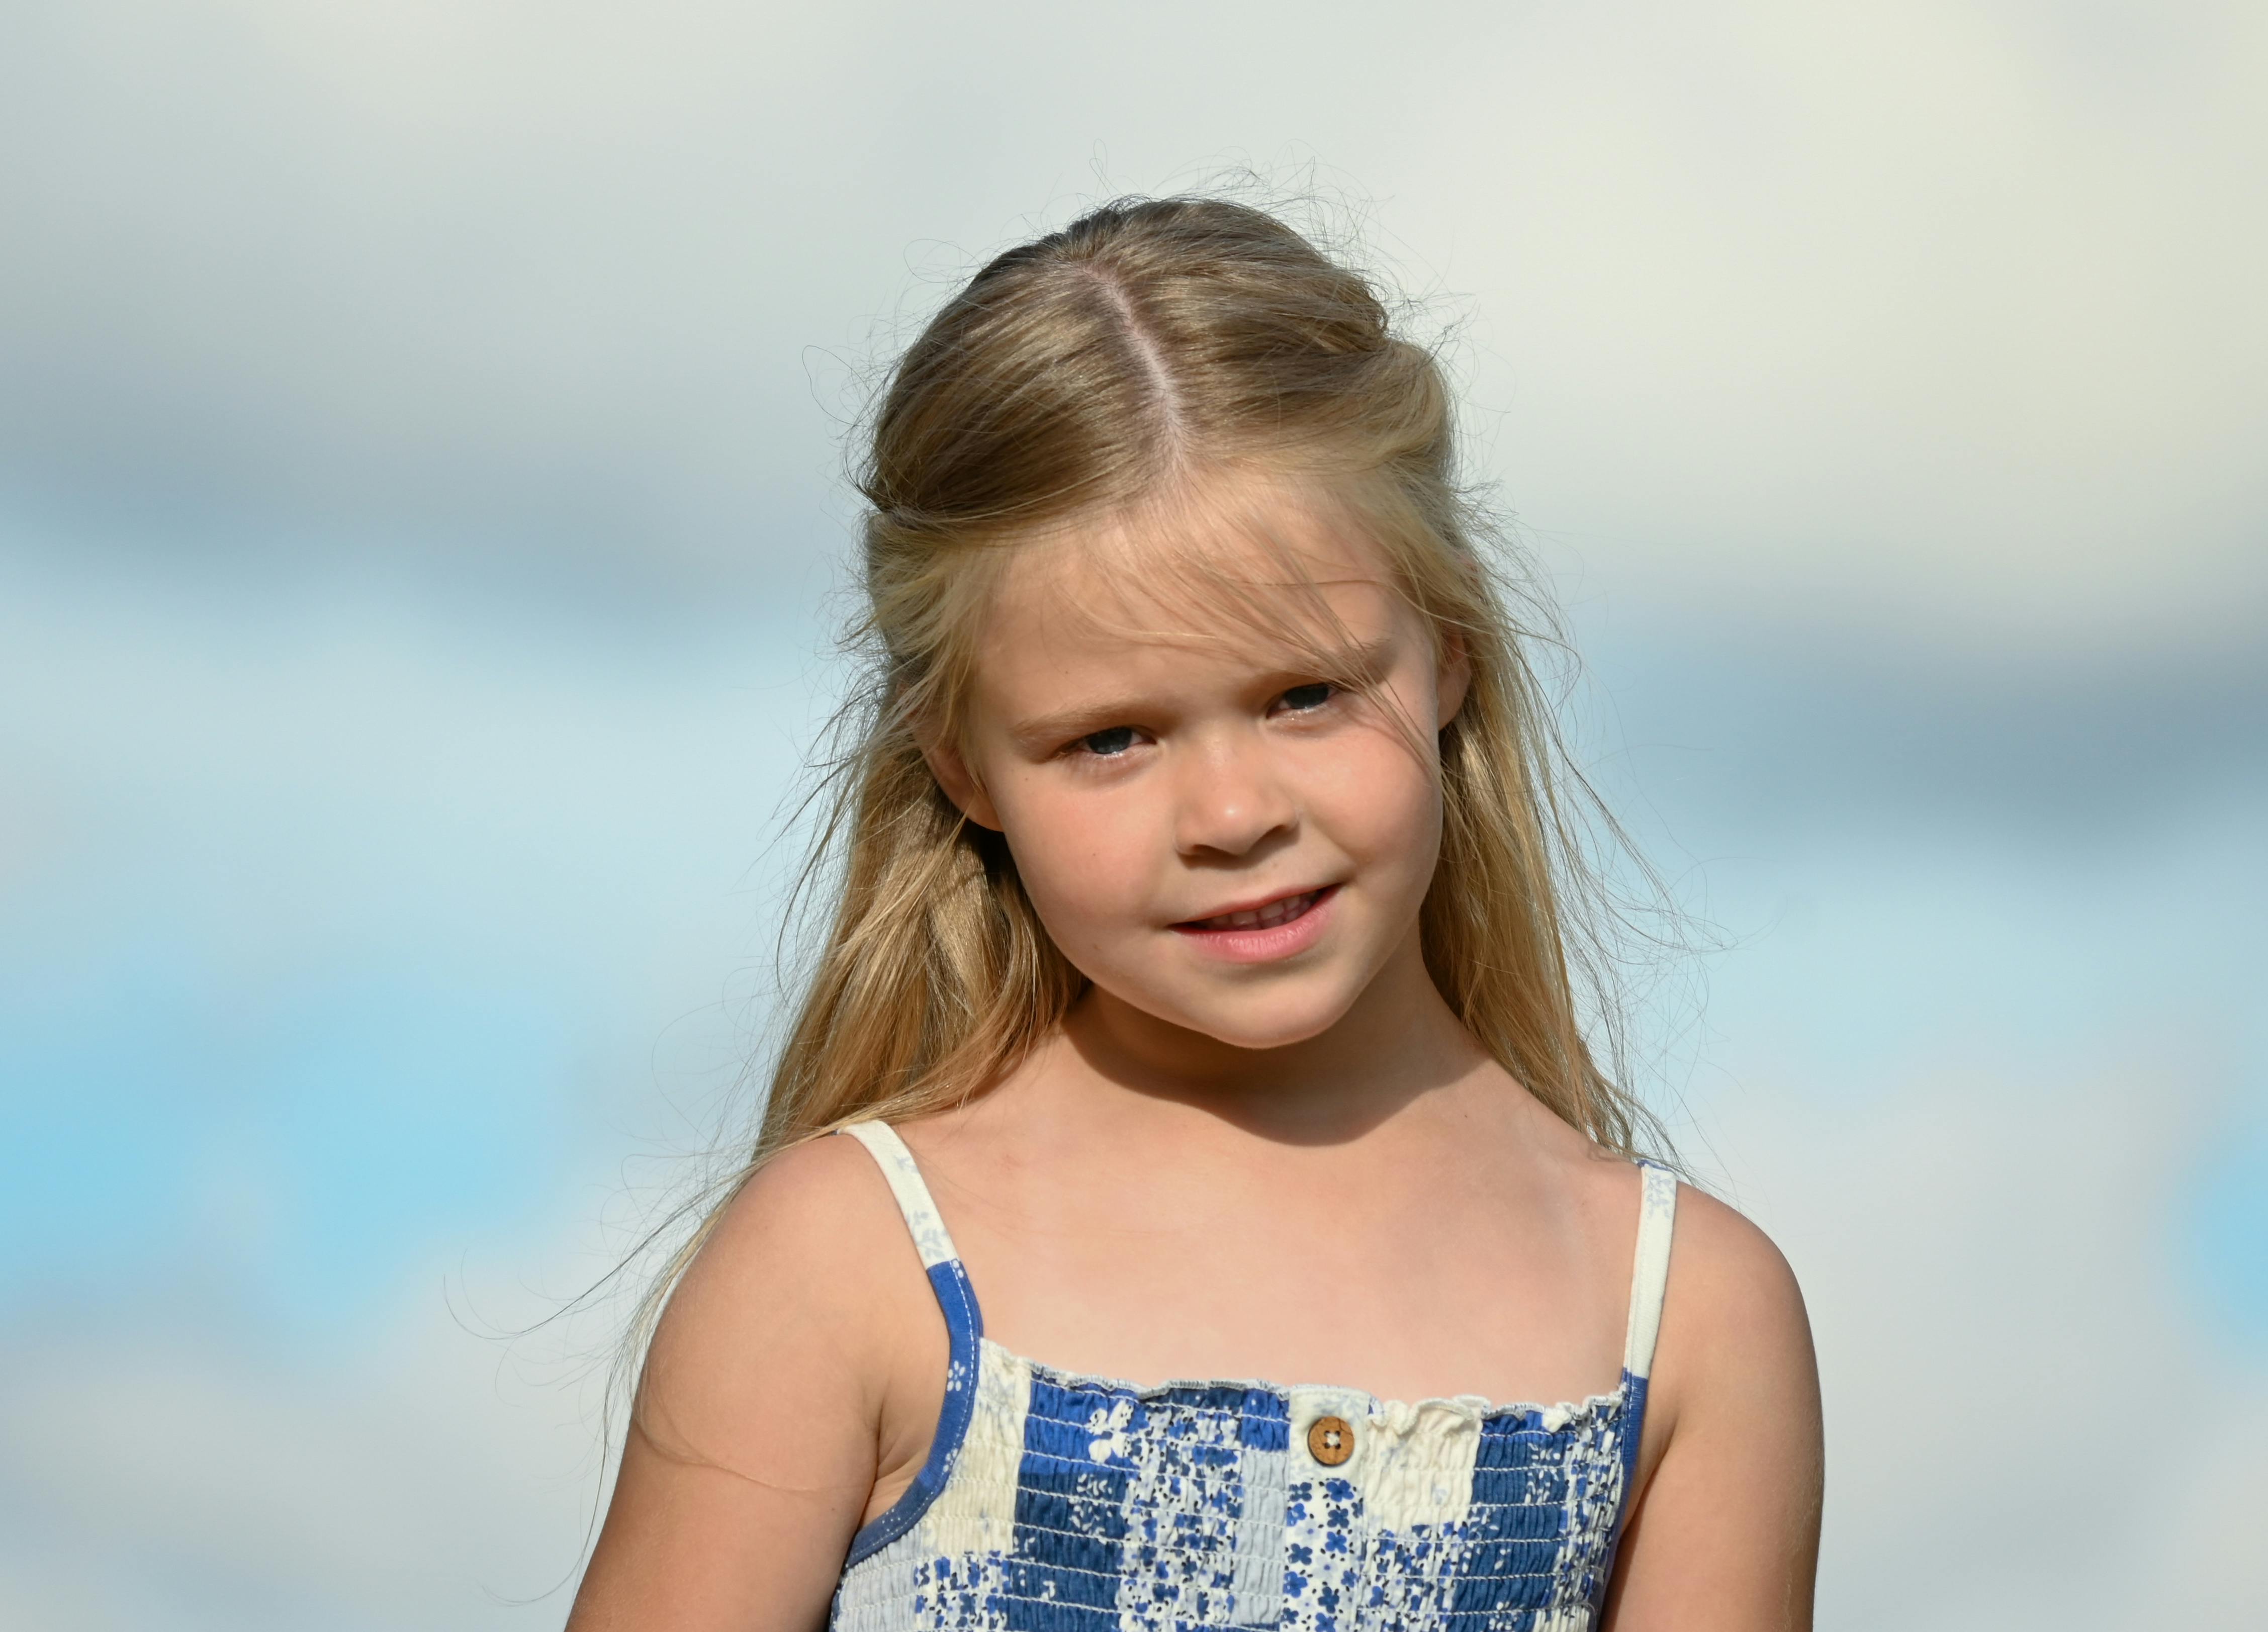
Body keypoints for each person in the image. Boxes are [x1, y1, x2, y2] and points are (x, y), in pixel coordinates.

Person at [567, 197, 1822, 1631]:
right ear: (962, 762)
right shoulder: (847, 1267)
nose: (1232, 815)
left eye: (1305, 694)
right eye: (1112, 738)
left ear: (1450, 657)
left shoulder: (1687, 1316)